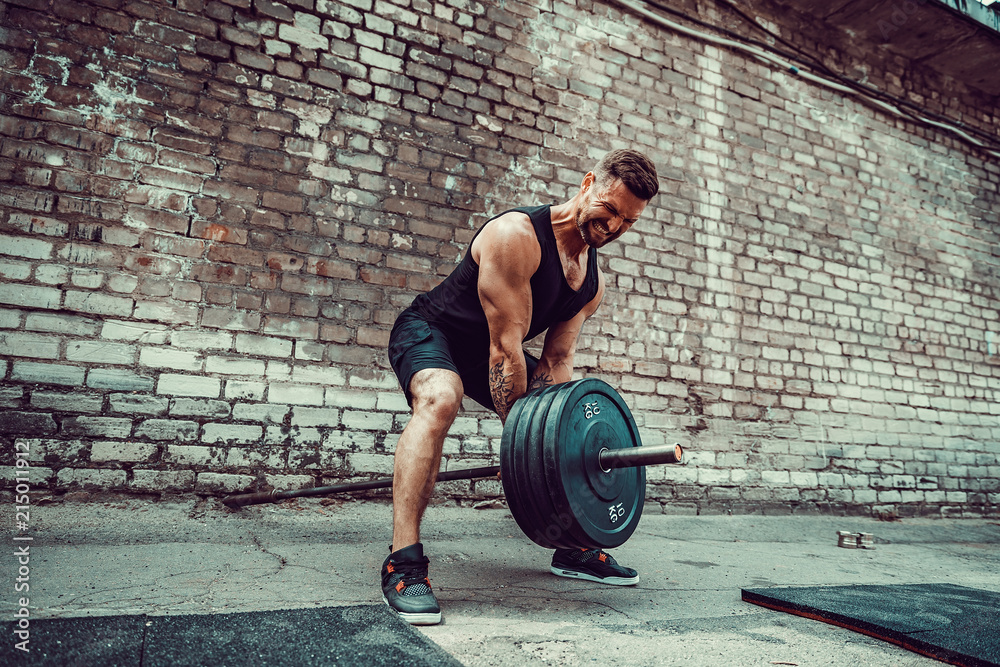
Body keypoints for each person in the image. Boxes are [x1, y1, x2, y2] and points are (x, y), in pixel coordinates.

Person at [382, 149, 660, 624]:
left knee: (561, 420)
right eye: (610, 209)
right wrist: (523, 449)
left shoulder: (590, 284)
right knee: (441, 397)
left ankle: (572, 546)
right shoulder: (517, 237)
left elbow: (556, 362)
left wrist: (554, 446)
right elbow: (505, 352)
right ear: (588, 182)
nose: (614, 227)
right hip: (434, 331)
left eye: (628, 222)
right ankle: (403, 562)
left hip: (490, 348)